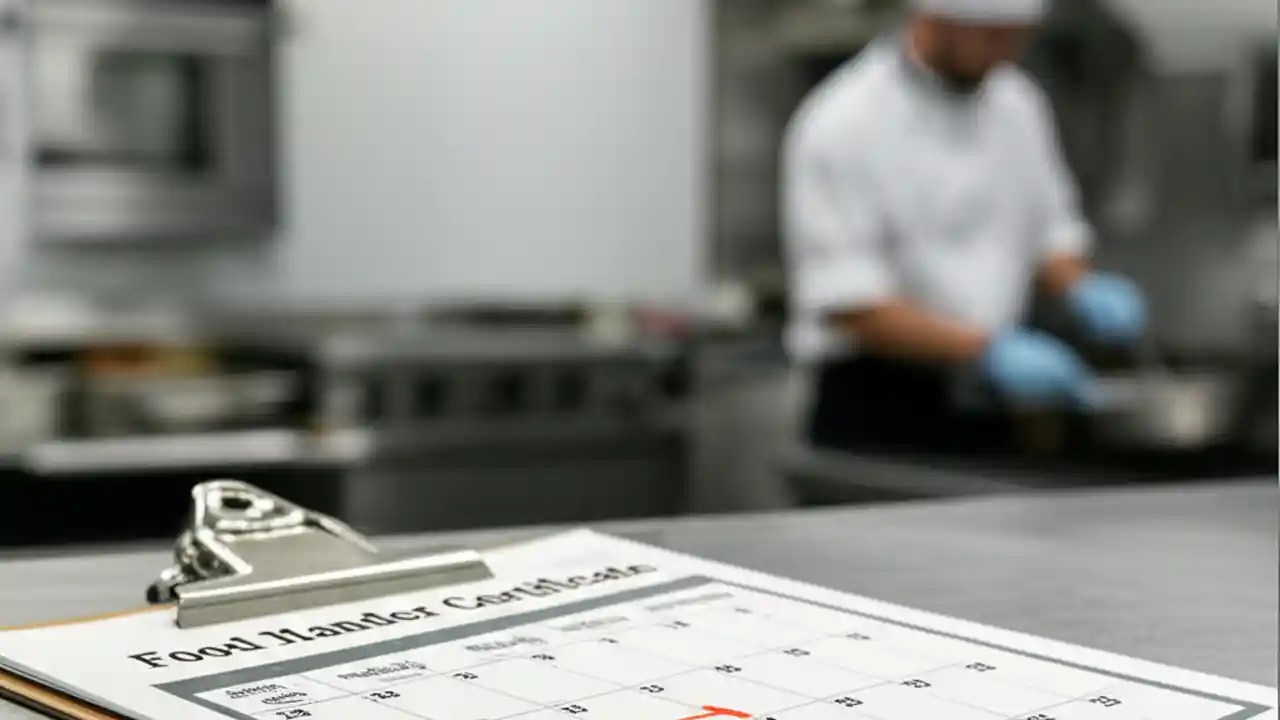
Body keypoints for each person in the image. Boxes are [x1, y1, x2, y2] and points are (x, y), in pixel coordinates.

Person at [782, 0, 1147, 453]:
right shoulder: (842, 122)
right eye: (993, 36)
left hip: (990, 402)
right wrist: (988, 350)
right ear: (936, 19)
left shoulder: (1018, 104)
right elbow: (851, 303)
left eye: (1018, 36)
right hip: (876, 404)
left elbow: (1050, 230)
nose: (1007, 52)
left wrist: (1080, 287)